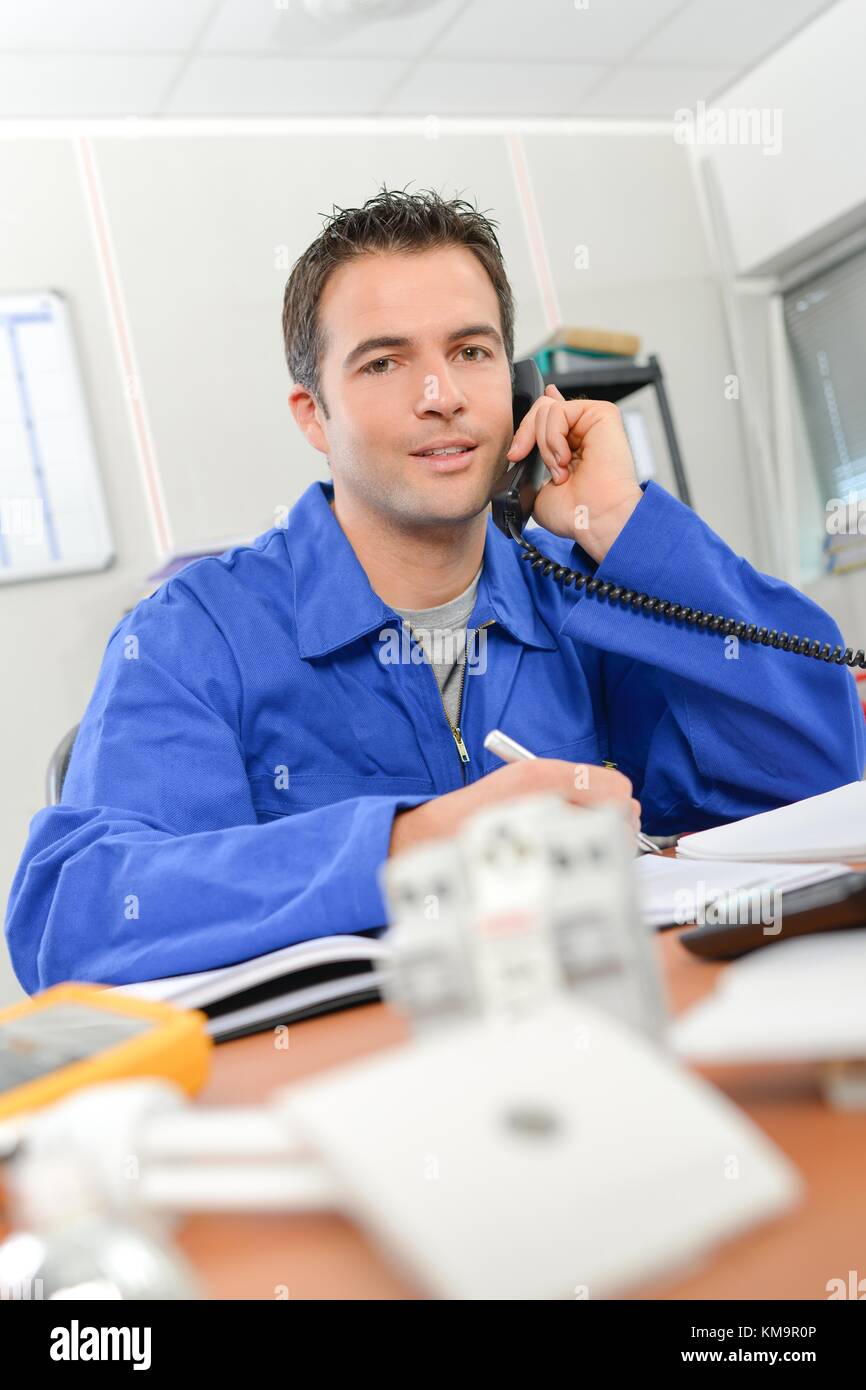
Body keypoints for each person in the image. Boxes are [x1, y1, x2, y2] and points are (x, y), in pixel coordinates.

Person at [5, 186, 864, 992]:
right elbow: (72, 917)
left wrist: (619, 520)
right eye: (384, 363)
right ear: (314, 414)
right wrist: (416, 845)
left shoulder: (587, 598)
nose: (442, 396)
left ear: (518, 386)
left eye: (471, 352)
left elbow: (819, 776)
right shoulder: (195, 634)